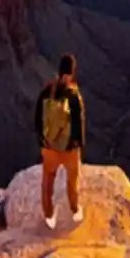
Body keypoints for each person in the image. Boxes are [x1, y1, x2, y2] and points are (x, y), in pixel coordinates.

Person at [35, 53, 86, 230]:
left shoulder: (46, 92)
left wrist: (43, 141)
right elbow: (79, 124)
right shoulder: (73, 94)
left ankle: (49, 216)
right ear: (71, 72)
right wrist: (79, 145)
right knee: (72, 182)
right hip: (69, 149)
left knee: (48, 182)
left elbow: (37, 119)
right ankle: (75, 210)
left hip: (49, 148)